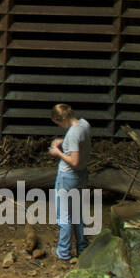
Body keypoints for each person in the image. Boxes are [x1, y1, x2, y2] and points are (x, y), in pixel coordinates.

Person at [47, 103, 91, 261]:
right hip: (82, 176)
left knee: (64, 217)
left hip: (68, 177)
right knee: (78, 213)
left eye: (59, 123)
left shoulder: (72, 134)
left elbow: (74, 161)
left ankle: (63, 253)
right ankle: (82, 248)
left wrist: (57, 152)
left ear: (63, 118)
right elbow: (78, 141)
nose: (59, 125)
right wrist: (62, 141)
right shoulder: (84, 124)